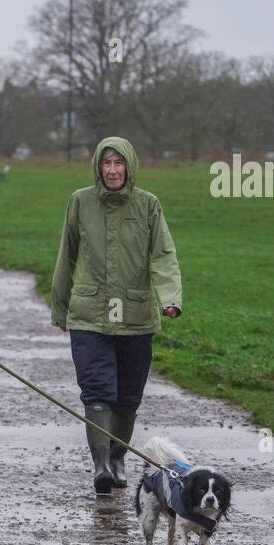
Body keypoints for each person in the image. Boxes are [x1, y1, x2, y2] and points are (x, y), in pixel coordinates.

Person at [50, 136, 183, 494]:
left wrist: (170, 297)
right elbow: (68, 255)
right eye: (106, 164)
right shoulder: (80, 202)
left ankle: (118, 454)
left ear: (129, 167)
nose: (112, 170)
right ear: (98, 167)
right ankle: (101, 466)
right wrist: (60, 307)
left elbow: (164, 255)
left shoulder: (148, 206)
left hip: (136, 316)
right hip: (89, 315)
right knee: (96, 391)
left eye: (118, 163)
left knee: (127, 397)